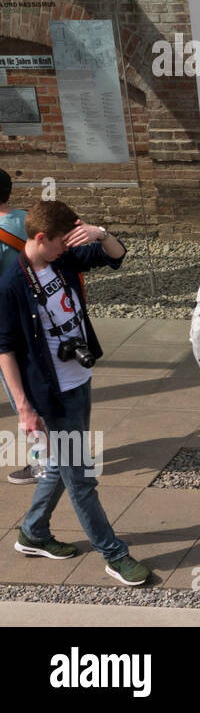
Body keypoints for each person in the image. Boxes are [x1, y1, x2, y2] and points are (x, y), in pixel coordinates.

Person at [0, 200, 151, 585]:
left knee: (60, 466)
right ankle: (114, 555)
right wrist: (23, 408)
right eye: (61, 243)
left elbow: (115, 256)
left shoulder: (61, 258)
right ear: (40, 238)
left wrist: (100, 233)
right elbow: (4, 349)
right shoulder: (11, 285)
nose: (67, 249)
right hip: (52, 396)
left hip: (78, 380)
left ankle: (32, 533)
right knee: (81, 477)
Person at [0, 168, 35, 484]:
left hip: (8, 323)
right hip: (39, 316)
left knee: (20, 394)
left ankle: (43, 461)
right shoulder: (28, 219)